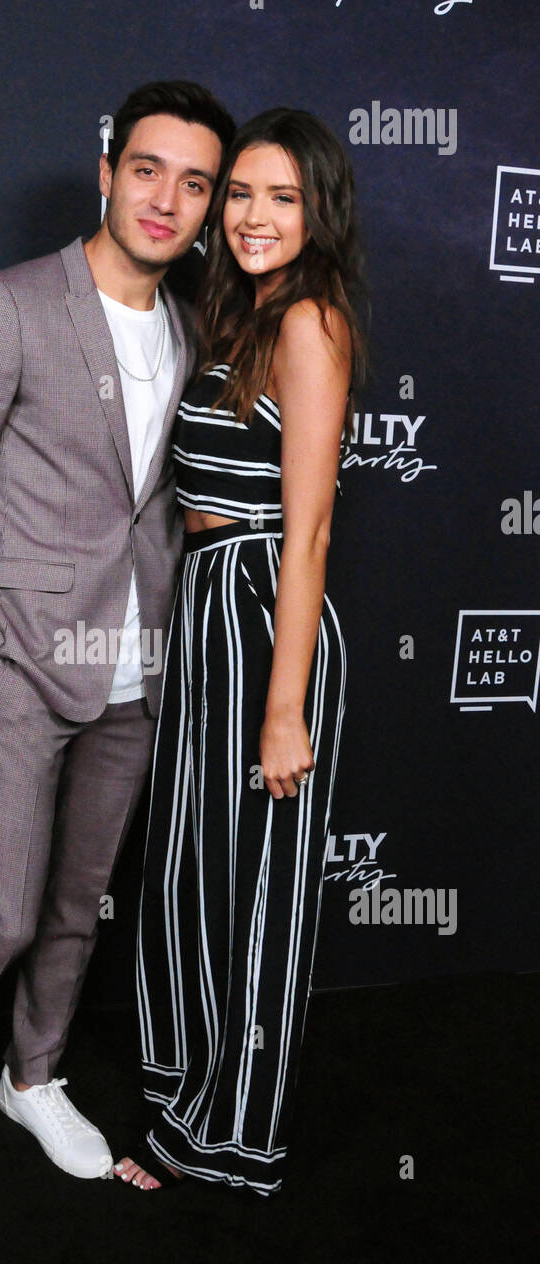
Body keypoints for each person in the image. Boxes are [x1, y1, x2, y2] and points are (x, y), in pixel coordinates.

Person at [0, 81, 235, 1221]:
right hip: (21, 667)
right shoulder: (12, 304)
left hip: (139, 670)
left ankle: (31, 1076)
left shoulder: (195, 326)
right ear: (106, 172)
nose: (167, 198)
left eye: (195, 181)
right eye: (148, 169)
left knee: (79, 906)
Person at [114, 107, 368, 1192]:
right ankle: (186, 1084)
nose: (253, 216)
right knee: (197, 872)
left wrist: (283, 706)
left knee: (256, 889)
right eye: (241, 194)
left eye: (282, 198)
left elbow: (307, 529)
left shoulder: (309, 321)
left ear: (317, 215)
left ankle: (224, 1137)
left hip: (266, 612)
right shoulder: (231, 314)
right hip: (206, 608)